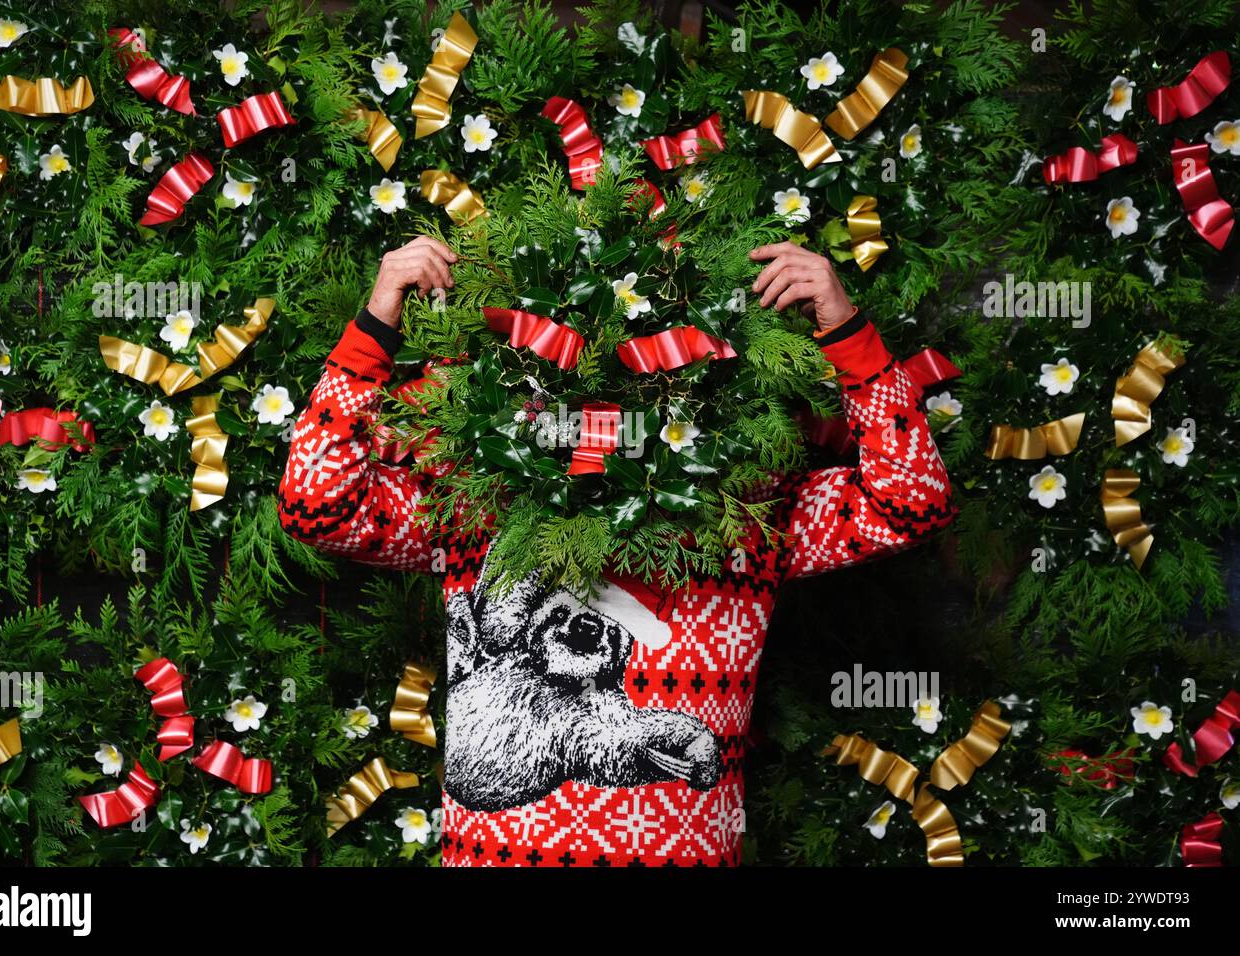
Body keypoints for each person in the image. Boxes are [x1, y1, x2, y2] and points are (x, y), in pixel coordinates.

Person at [278, 236, 955, 866]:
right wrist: (373, 330)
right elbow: (316, 503)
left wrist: (848, 334)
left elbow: (913, 500)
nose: (613, 396)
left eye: (653, 363)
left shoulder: (747, 516)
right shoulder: (481, 503)